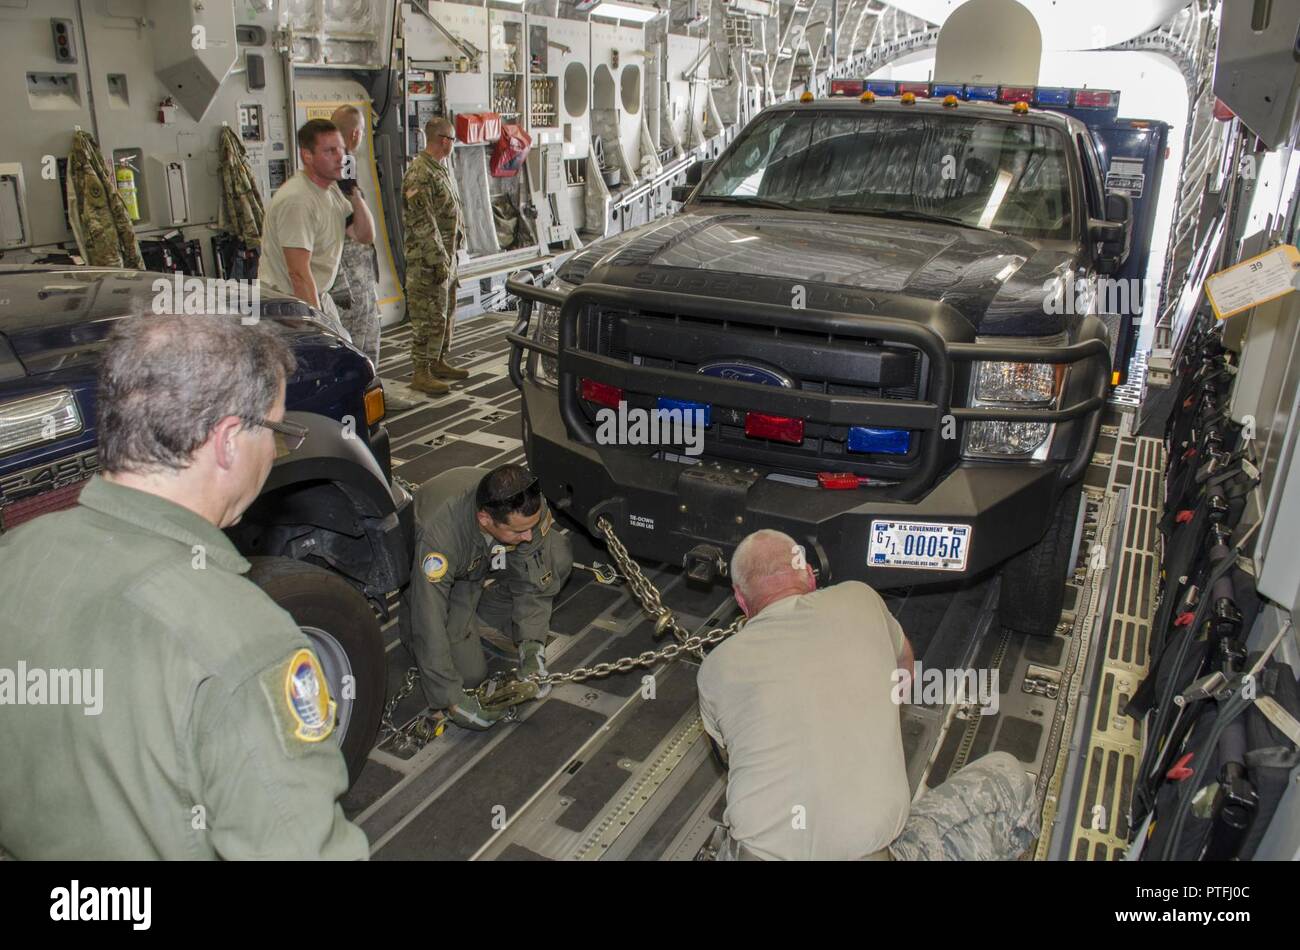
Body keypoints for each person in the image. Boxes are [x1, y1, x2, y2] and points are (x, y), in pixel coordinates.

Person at [0, 312, 367, 860]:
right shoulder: (247, 645)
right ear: (226, 442)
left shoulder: (19, 554)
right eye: (276, 430)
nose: (276, 452)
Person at [697, 529, 1037, 861]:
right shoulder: (860, 597)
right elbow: (905, 666)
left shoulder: (714, 669)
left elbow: (732, 756)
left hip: (753, 854)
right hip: (867, 853)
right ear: (810, 576)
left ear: (741, 600)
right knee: (1007, 775)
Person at [400, 465, 572, 730]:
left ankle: (478, 614)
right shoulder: (439, 540)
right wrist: (451, 701)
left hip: (488, 553)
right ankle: (438, 624)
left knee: (556, 558)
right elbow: (429, 616)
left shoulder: (528, 506)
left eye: (531, 527)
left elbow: (534, 578)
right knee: (469, 675)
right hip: (456, 574)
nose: (527, 536)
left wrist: (532, 647)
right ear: (485, 519)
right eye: (519, 532)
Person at [260, 118, 375, 341]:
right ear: (307, 156)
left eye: (342, 149)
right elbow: (298, 274)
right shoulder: (298, 200)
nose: (341, 157)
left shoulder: (330, 191)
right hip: (287, 303)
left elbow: (364, 235)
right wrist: (318, 330)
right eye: (330, 151)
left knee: (344, 352)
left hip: (317, 296)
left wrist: (354, 191)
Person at [400, 116, 468, 396]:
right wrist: (439, 259)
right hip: (428, 261)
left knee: (445, 313)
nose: (453, 144)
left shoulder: (440, 169)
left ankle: (438, 360)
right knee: (427, 316)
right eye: (453, 139)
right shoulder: (419, 173)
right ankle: (421, 372)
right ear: (443, 141)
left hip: (446, 258)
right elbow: (422, 222)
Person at [326, 104, 383, 366]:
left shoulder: (330, 165)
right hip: (350, 273)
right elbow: (358, 230)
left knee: (363, 336)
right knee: (358, 342)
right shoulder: (343, 165)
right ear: (355, 135)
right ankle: (366, 393)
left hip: (348, 273)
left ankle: (371, 389)